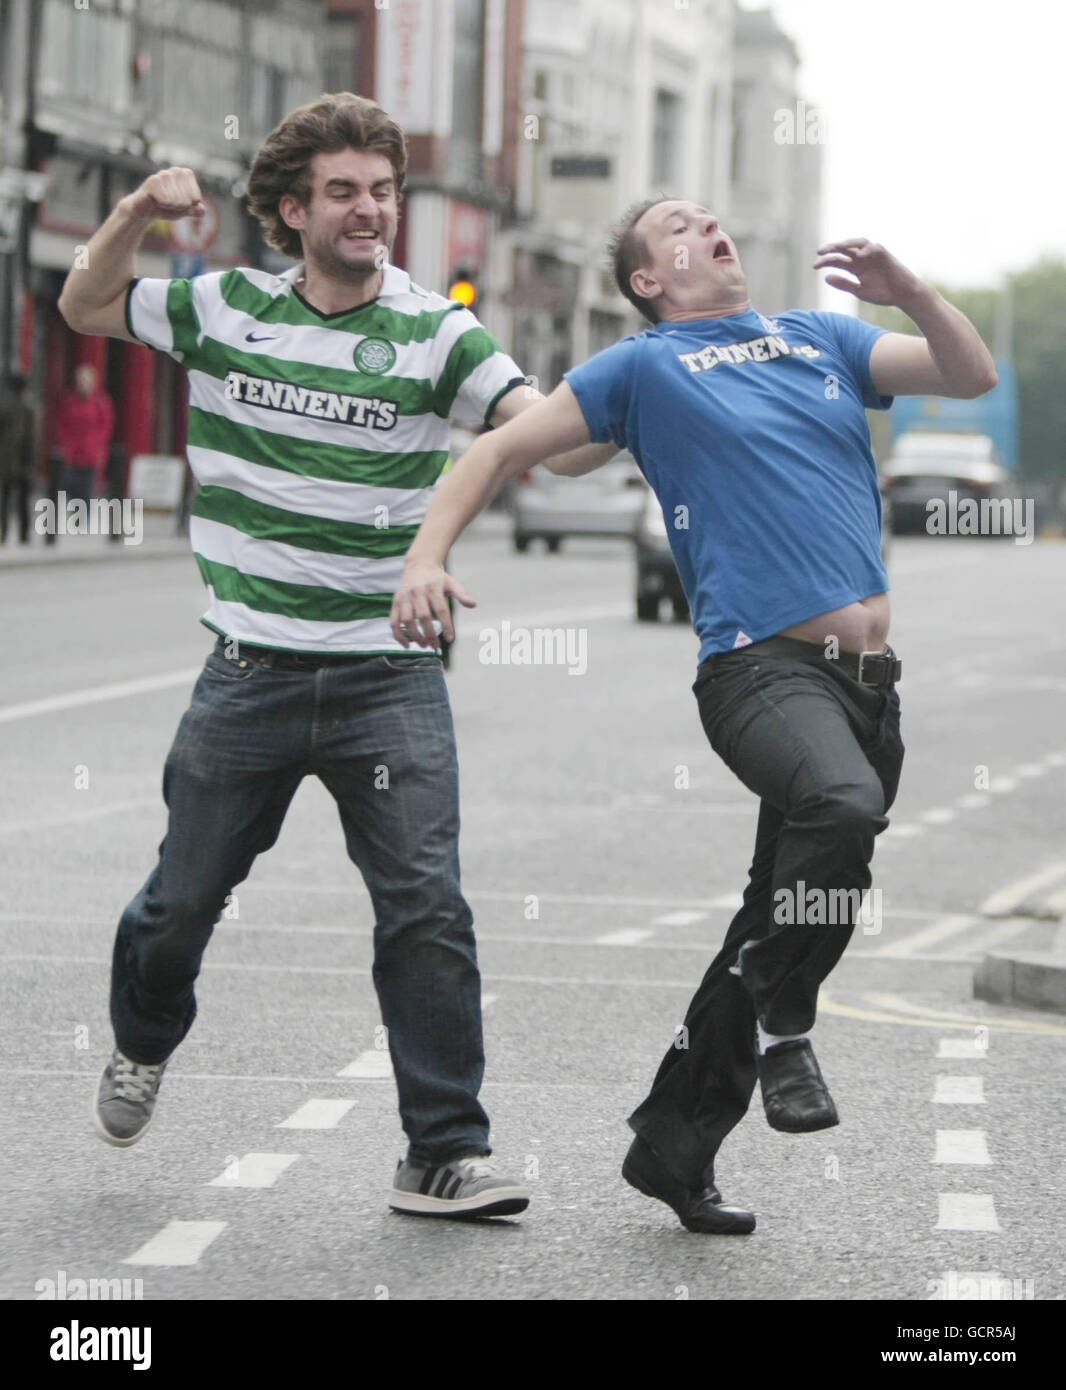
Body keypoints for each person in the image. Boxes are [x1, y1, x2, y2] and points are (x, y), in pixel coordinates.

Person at [389, 197, 998, 1233]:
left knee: (781, 900)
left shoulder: (819, 336)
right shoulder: (643, 368)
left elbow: (966, 375)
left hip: (865, 684)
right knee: (839, 808)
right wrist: (423, 556)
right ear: (647, 280)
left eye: (713, 217)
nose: (710, 227)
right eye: (680, 225)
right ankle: (787, 1018)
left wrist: (914, 296)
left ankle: (673, 1144)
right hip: (758, 672)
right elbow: (495, 453)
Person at [57, 92, 604, 1220]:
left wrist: (623, 400)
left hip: (385, 676)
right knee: (179, 905)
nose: (372, 211)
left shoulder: (436, 333)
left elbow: (549, 444)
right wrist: (139, 211)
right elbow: (85, 302)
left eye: (385, 191)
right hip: (248, 672)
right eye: (346, 192)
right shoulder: (221, 307)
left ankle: (442, 1150)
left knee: (425, 908)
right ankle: (142, 1041)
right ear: (293, 210)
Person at [53, 363, 114, 511]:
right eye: (80, 381)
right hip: (72, 452)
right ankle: (75, 514)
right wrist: (64, 444)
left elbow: (106, 427)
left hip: (91, 452)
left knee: (86, 487)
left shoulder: (101, 402)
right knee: (70, 484)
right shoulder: (69, 401)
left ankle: (82, 519)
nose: (83, 384)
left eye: (86, 381)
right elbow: (62, 424)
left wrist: (98, 447)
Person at [0, 373, 35, 545]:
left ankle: (3, 533)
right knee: (22, 500)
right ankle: (24, 534)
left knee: (5, 499)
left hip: (6, 461)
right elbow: (31, 438)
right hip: (22, 461)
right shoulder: (27, 407)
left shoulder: (4, 405)